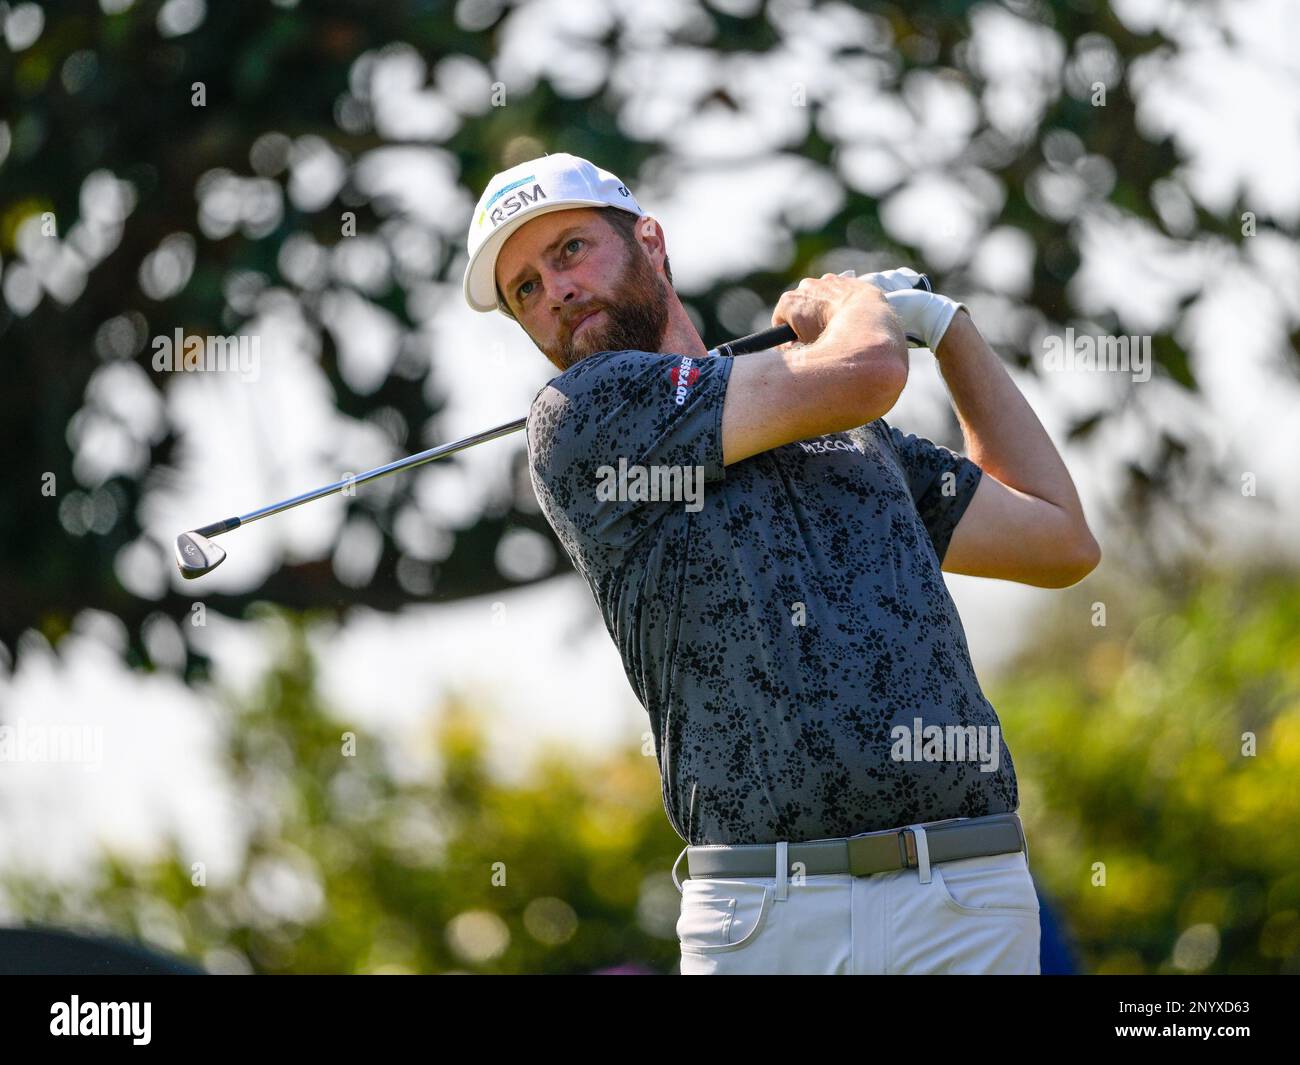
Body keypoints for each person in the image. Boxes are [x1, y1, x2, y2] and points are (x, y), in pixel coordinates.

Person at [462, 152, 1100, 974]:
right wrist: (855, 303)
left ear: (650, 243)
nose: (553, 290)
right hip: (765, 918)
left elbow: (1059, 540)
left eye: (570, 251)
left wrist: (948, 328)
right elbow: (868, 369)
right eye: (525, 289)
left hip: (964, 895)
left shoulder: (856, 434)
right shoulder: (581, 416)